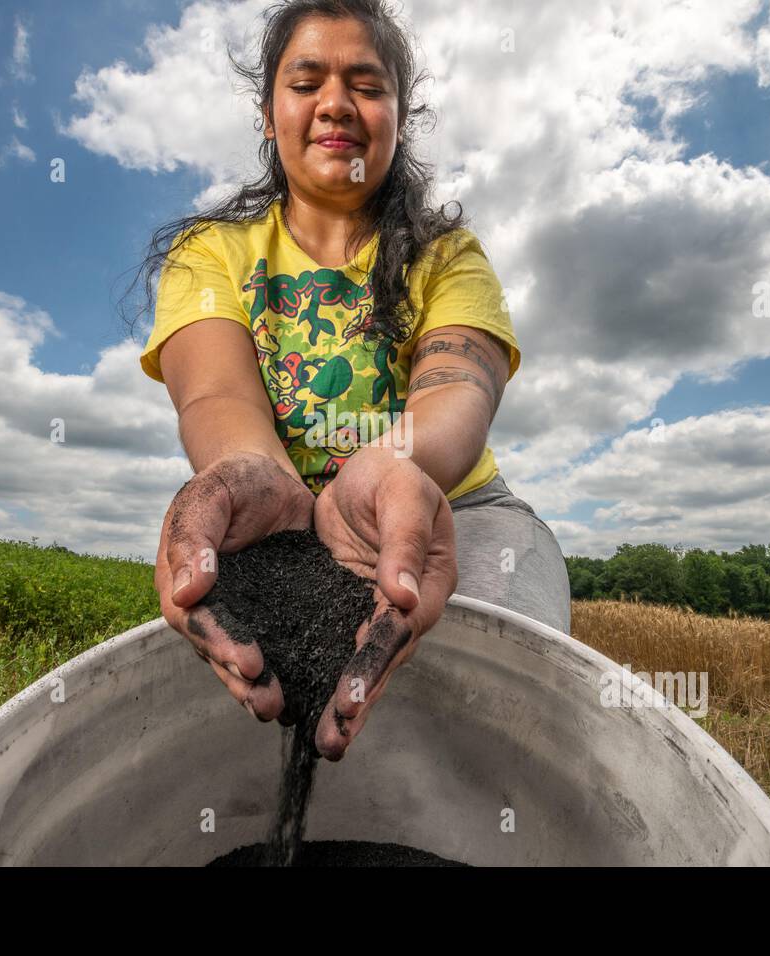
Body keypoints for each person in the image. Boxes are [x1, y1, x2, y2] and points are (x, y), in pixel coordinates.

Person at [128, 0, 570, 762]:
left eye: (366, 84)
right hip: (282, 531)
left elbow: (458, 391)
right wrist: (249, 474)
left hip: (456, 509)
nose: (336, 103)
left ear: (400, 114)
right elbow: (217, 396)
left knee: (505, 688)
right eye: (306, 83)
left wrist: (393, 469)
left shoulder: (447, 256)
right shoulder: (212, 254)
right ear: (269, 113)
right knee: (229, 694)